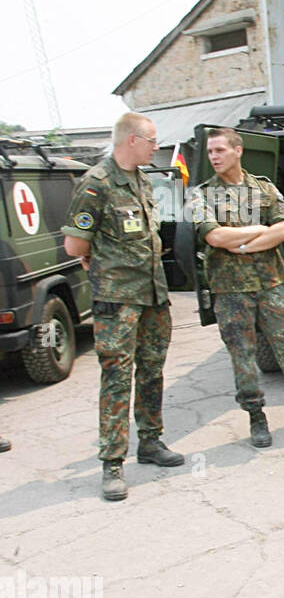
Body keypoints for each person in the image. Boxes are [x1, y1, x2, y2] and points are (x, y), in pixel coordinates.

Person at [189, 128, 284, 447]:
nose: (214, 157)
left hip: (271, 285)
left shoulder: (264, 187)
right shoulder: (202, 195)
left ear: (238, 151)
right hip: (230, 291)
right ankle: (256, 418)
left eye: (219, 150)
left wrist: (244, 244)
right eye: (210, 152)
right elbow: (214, 237)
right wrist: (261, 231)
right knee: (242, 357)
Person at [63, 112, 185, 500]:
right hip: (117, 300)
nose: (155, 146)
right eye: (151, 140)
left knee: (151, 372)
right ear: (131, 140)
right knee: (117, 377)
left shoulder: (141, 180)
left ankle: (150, 442)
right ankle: (112, 464)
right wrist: (98, 259)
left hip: (152, 294)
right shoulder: (96, 184)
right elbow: (75, 246)